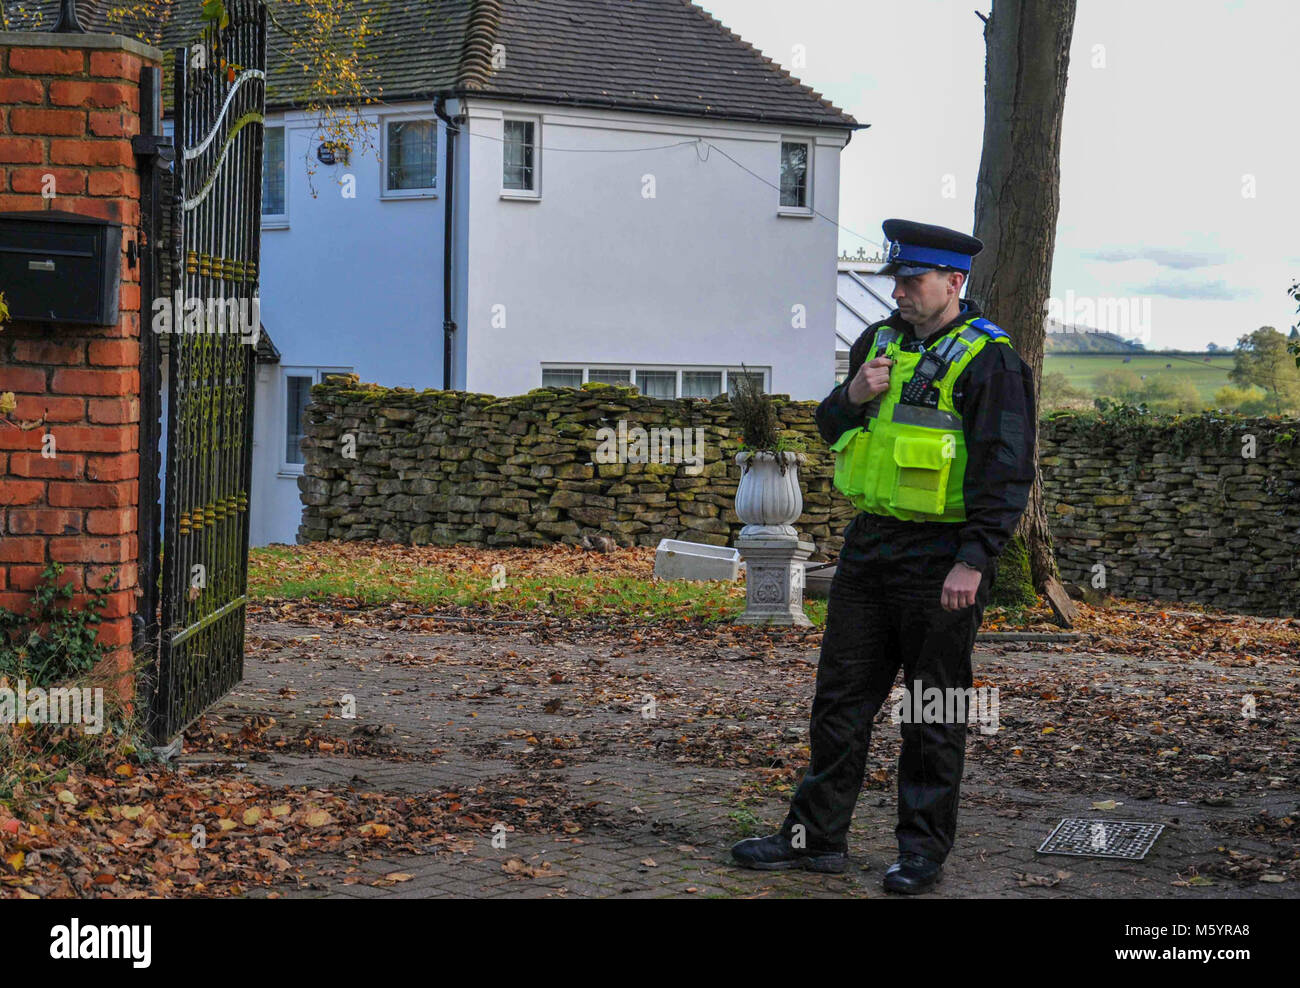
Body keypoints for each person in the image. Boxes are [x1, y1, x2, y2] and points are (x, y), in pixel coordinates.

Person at [731, 218, 1037, 894]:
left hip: (943, 557)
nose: (898, 291)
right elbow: (833, 426)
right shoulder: (877, 342)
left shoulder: (992, 362)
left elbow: (1006, 471)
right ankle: (814, 841)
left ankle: (921, 854)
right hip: (871, 547)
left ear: (954, 283)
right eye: (895, 280)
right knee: (839, 702)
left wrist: (974, 560)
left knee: (931, 709)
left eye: (912, 280)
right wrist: (853, 396)